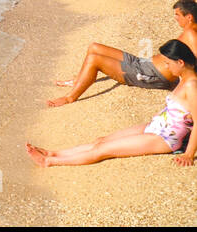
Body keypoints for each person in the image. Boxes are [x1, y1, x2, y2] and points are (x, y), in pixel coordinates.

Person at [28, 42, 197, 167]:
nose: (166, 67)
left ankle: (49, 161)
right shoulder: (184, 78)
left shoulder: (192, 86)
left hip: (165, 138)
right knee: (101, 141)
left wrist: (189, 154)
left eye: (168, 63)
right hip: (156, 125)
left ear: (180, 62)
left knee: (103, 150)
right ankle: (53, 152)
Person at [48, 2, 197, 107]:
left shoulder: (191, 34)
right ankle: (79, 80)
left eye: (177, 15)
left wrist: (183, 84)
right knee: (94, 47)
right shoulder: (189, 32)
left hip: (149, 74)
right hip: (143, 63)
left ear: (189, 17)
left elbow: (194, 63)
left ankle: (70, 98)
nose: (175, 18)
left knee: (94, 60)